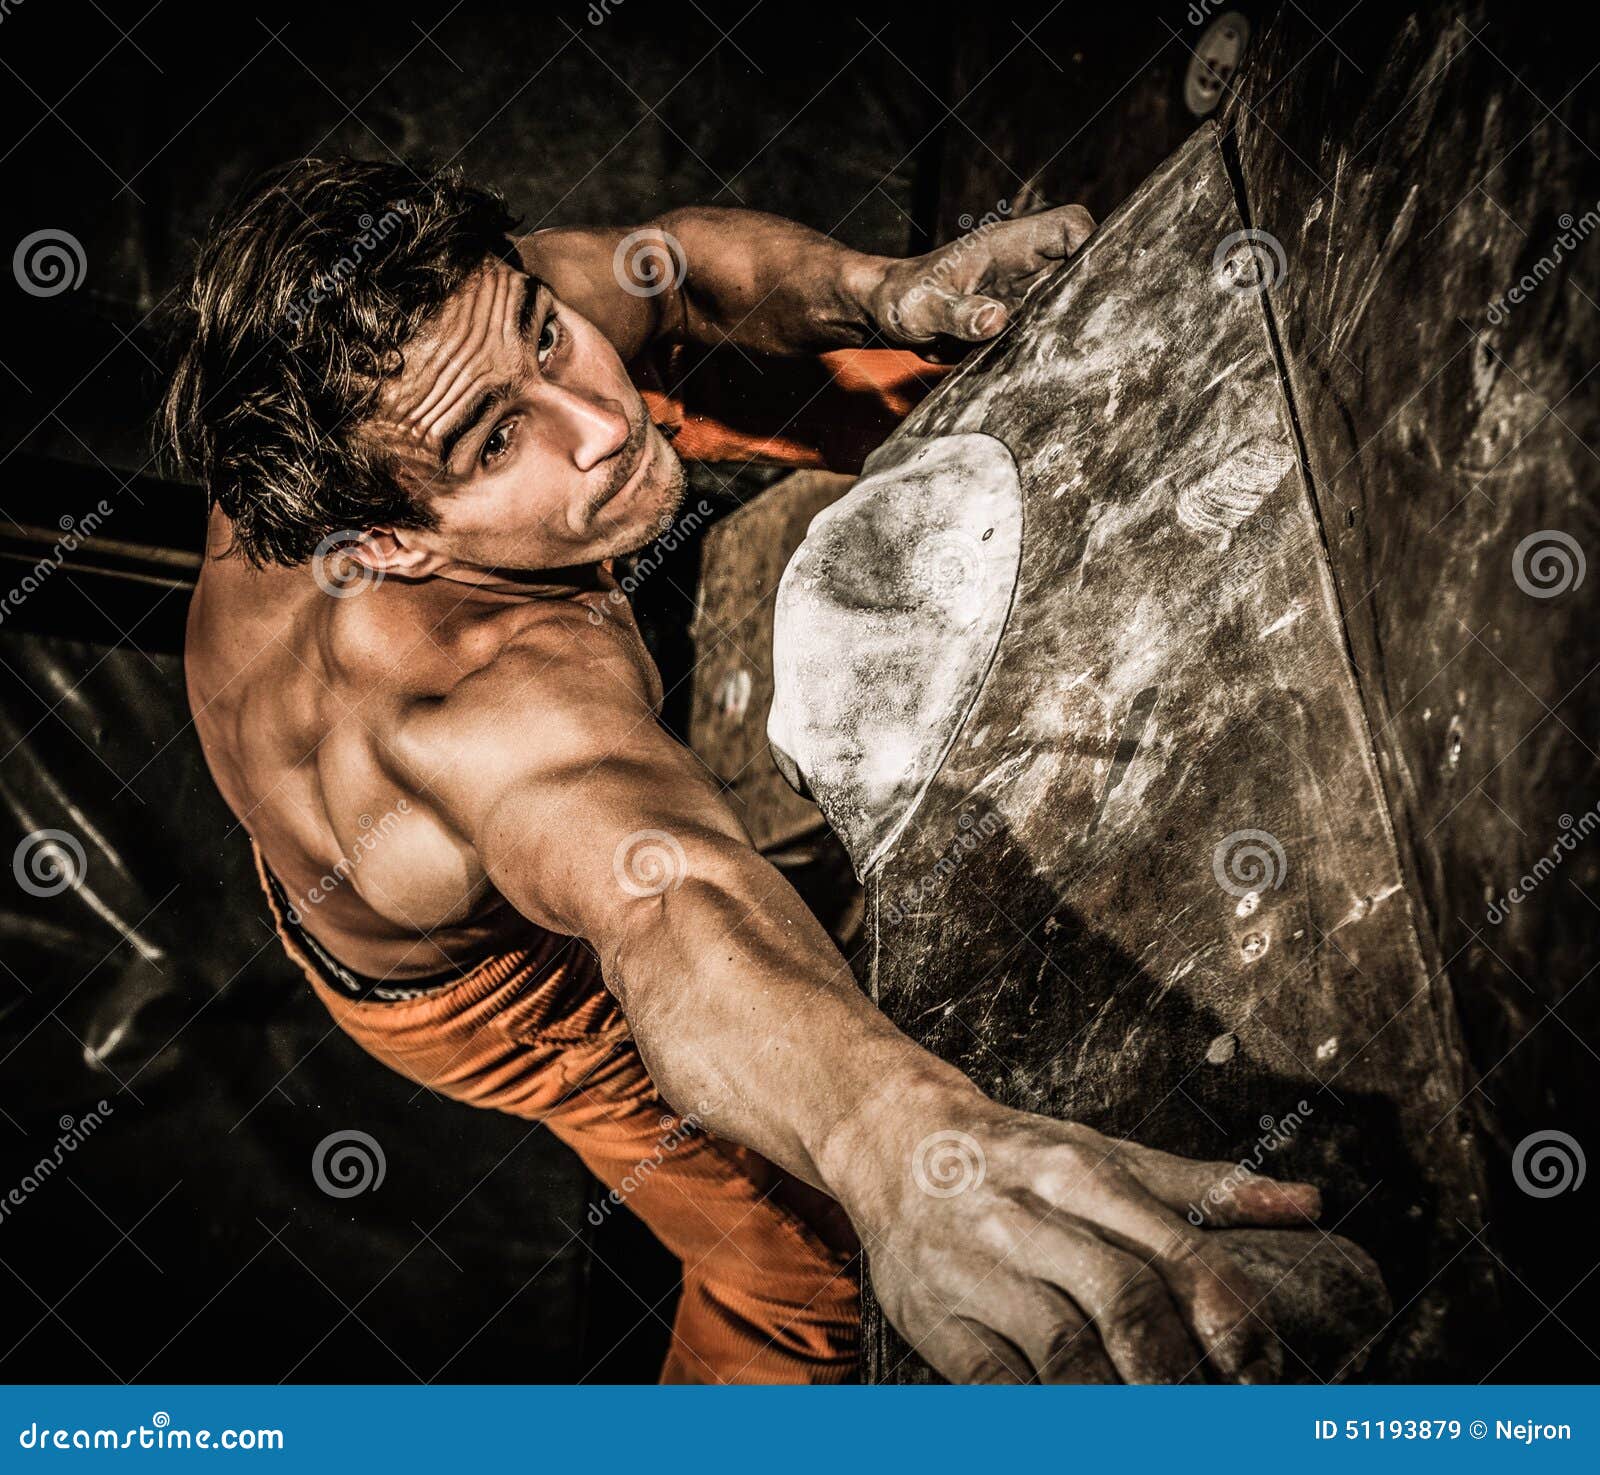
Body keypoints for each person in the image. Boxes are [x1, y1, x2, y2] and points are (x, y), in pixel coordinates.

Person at [172, 158, 1320, 1385]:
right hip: (471, 983)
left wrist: (881, 289)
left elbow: (669, 275)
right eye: (499, 436)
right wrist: (893, 1133)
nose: (598, 419)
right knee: (803, 1272)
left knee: (860, 359)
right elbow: (666, 897)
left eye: (548, 338)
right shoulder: (475, 699)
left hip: (370, 733)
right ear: (389, 540)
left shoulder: (442, 333)